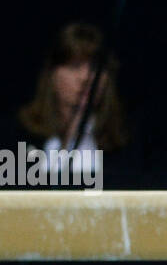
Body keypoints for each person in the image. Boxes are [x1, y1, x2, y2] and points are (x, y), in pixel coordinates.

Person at [16, 21, 136, 173]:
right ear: (52, 75)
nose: (86, 77)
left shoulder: (128, 144)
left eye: (95, 68)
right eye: (75, 66)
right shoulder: (15, 139)